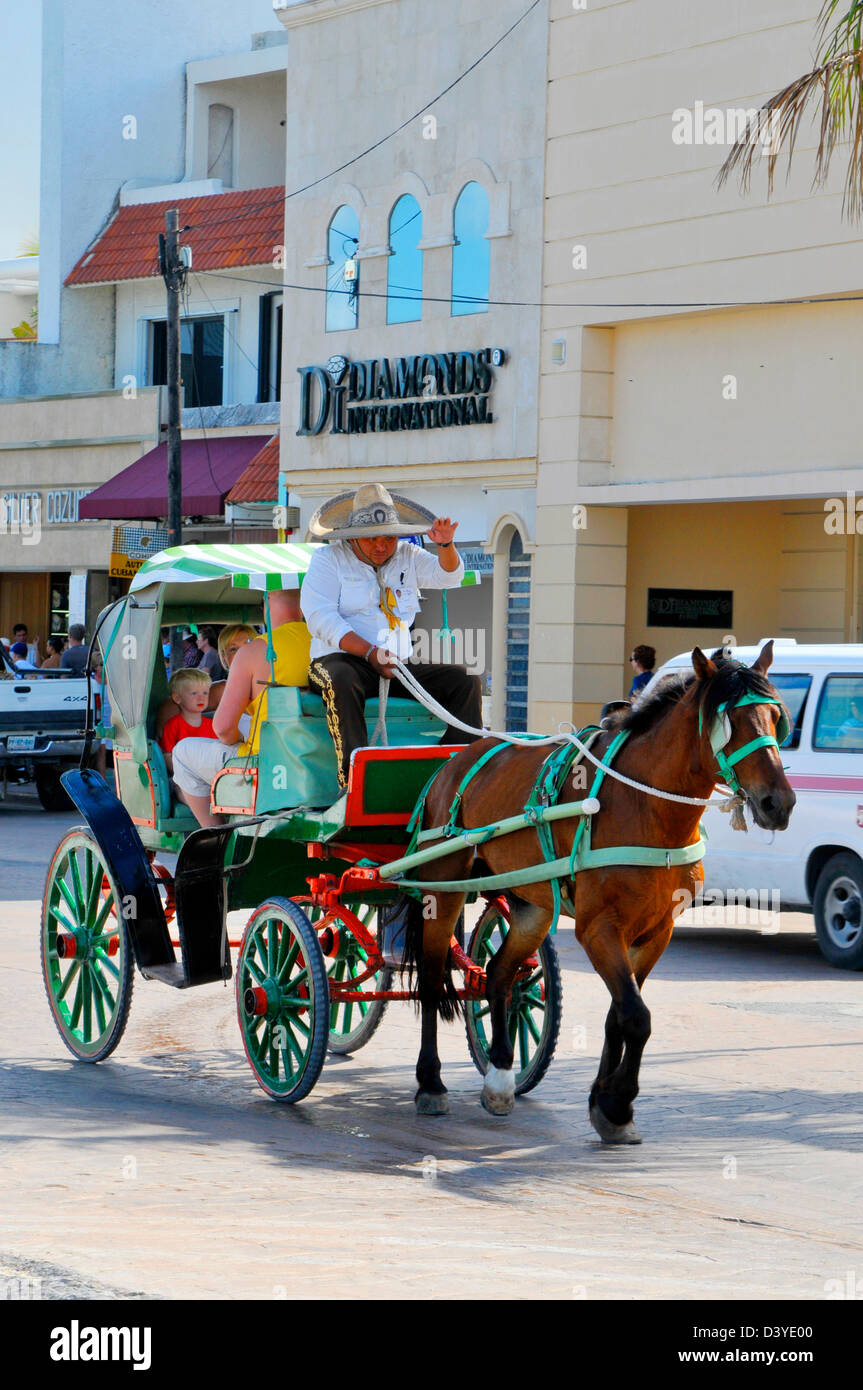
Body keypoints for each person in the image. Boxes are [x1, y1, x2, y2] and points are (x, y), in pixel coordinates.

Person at [301, 482, 483, 791]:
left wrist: (445, 545)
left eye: (388, 537)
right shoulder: (327, 560)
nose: (381, 546)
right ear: (354, 537)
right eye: (372, 538)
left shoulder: (408, 555)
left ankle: (452, 777)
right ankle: (354, 784)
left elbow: (448, 576)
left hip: (396, 663)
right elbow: (320, 617)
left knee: (465, 682)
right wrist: (369, 652)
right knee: (341, 679)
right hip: (342, 662)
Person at [171, 592, 310, 827]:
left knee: (182, 752)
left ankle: (215, 835)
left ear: (266, 605)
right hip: (315, 755)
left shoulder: (256, 650)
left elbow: (223, 729)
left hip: (264, 762)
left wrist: (236, 739)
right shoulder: (327, 643)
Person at [159, 668, 219, 778]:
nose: (201, 698)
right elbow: (167, 755)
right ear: (177, 698)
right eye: (194, 693)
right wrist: (185, 773)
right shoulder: (173, 726)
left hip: (209, 774)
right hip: (185, 777)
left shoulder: (212, 725)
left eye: (205, 693)